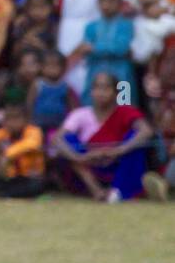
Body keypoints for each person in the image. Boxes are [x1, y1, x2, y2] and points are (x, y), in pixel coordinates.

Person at [53, 71, 154, 202]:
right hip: (87, 166)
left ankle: (118, 192)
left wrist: (119, 150)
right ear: (91, 92)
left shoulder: (126, 112)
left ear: (116, 93)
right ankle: (96, 190)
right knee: (69, 141)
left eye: (106, 88)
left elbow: (146, 131)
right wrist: (80, 157)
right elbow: (57, 139)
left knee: (135, 139)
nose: (101, 93)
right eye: (97, 88)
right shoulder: (80, 114)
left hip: (117, 164)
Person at [74, 0, 136, 96]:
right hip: (96, 72)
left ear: (120, 3)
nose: (106, 5)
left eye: (111, 1)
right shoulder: (91, 27)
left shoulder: (126, 25)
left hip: (121, 73)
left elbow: (122, 48)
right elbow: (85, 50)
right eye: (102, 1)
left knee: (124, 106)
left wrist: (95, 48)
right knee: (92, 105)